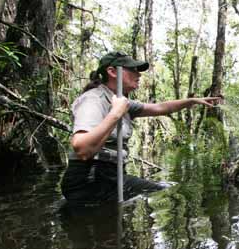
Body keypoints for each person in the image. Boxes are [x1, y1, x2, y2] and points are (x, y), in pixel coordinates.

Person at [61, 51, 220, 207]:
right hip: (89, 180)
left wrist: (192, 101)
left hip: (110, 177)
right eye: (132, 70)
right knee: (163, 190)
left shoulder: (123, 102)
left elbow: (159, 108)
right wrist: (116, 113)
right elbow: (82, 148)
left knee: (161, 188)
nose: (139, 75)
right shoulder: (93, 99)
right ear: (112, 71)